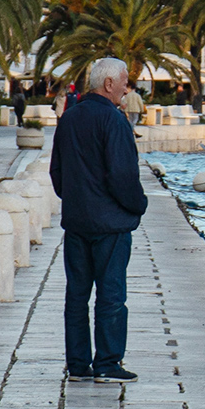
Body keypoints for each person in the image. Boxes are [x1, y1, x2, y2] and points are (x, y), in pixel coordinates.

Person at [51, 56, 147, 384]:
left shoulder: (69, 119)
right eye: (124, 81)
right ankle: (107, 361)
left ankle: (78, 363)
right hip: (110, 225)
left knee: (77, 294)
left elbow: (57, 172)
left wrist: (76, 201)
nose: (126, 87)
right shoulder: (115, 121)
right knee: (111, 294)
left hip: (77, 222)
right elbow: (122, 175)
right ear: (108, 84)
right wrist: (138, 205)